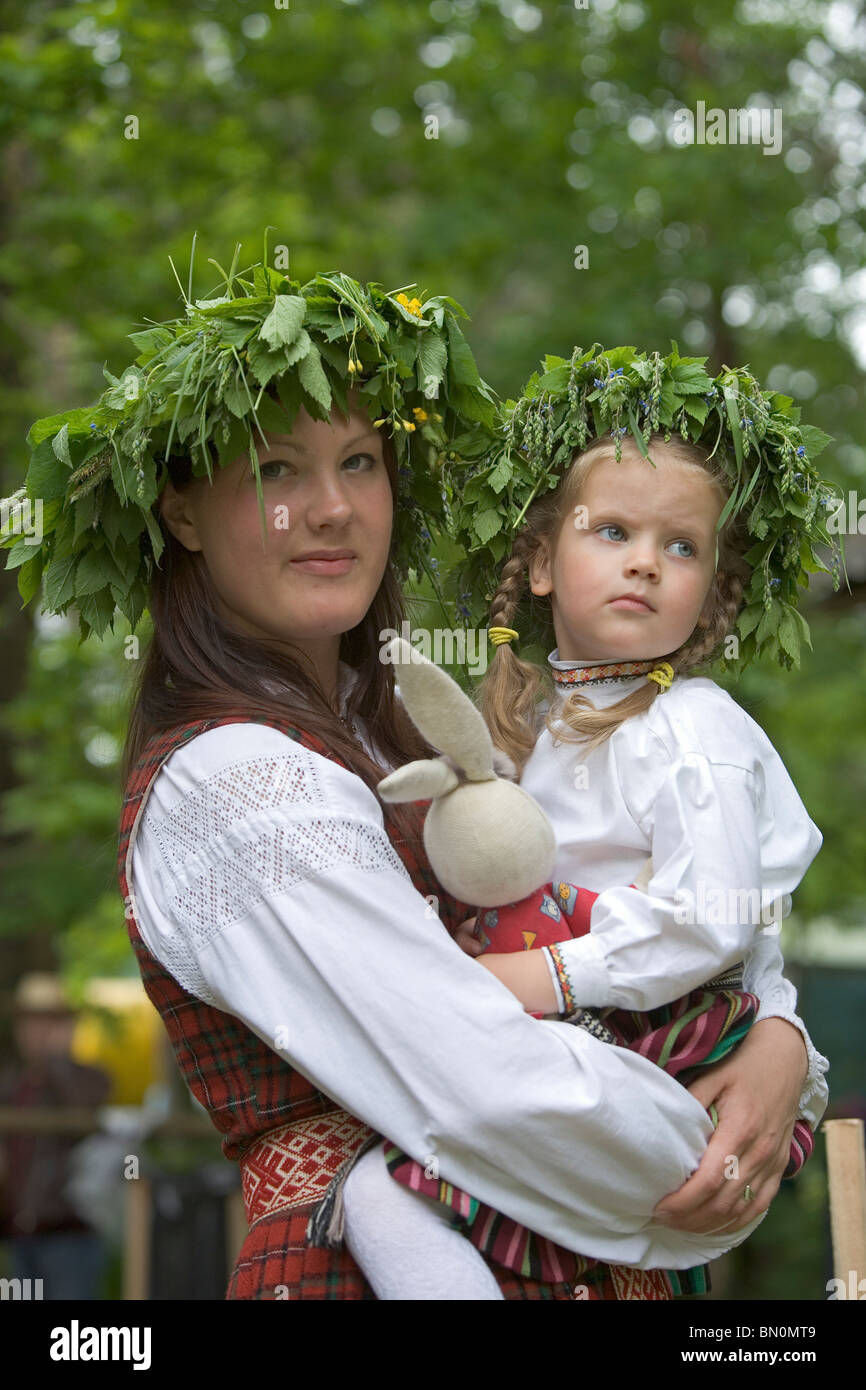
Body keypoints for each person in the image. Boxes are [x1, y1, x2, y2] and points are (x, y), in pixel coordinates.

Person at [1, 270, 827, 1300]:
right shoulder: (237, 780)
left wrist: (780, 1043)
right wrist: (696, 1141)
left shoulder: (398, 742)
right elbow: (480, 1082)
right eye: (274, 469)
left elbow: (689, 896)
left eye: (359, 460)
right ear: (182, 512)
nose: (334, 507)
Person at [340, 345, 835, 1298]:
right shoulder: (520, 730)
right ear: (536, 564)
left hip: (659, 1040)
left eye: (682, 547)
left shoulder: (693, 729)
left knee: (388, 1189)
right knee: (389, 1195)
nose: (647, 562)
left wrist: (539, 974)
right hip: (570, 1026)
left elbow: (715, 921)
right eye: (612, 531)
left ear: (708, 597)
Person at [0, 974, 110, 1299]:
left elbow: (81, 1119)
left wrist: (57, 1061)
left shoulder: (90, 1079)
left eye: (46, 1022)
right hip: (20, 1237)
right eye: (30, 1022)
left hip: (70, 1235)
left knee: (72, 1343)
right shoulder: (12, 1085)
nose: (35, 1032)